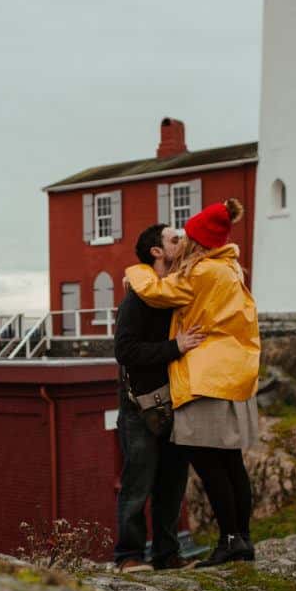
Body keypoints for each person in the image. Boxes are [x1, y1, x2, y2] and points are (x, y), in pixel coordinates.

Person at [125, 199, 260, 566]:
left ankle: (230, 541)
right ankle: (242, 539)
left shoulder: (200, 273)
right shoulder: (229, 267)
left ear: (198, 241)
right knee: (231, 462)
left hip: (205, 377)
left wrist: (135, 271)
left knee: (210, 464)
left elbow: (156, 291)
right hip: (231, 374)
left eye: (186, 236)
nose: (181, 241)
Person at [114, 223, 203, 573]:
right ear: (156, 251)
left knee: (172, 484)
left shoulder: (178, 291)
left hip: (177, 400)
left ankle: (167, 556)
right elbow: (125, 351)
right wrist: (174, 347)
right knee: (138, 483)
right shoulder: (137, 297)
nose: (182, 242)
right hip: (141, 406)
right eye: (174, 239)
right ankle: (129, 557)